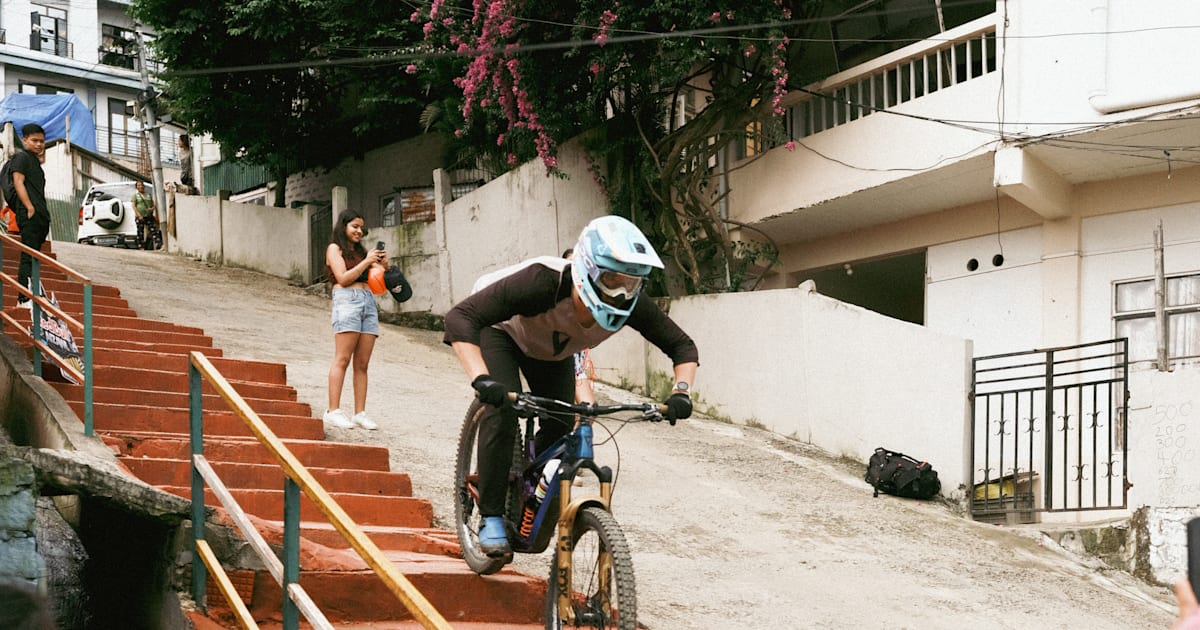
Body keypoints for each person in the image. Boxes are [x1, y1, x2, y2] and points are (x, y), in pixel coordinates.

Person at [444, 215, 699, 556]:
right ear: (589, 271)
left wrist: (681, 392)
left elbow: (682, 347)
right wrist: (482, 379)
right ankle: (490, 515)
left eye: (632, 284)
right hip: (502, 331)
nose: (622, 293)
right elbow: (460, 317)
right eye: (612, 280)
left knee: (562, 424)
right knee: (502, 410)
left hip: (552, 352)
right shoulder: (542, 282)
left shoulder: (632, 305)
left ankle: (524, 483)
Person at [323, 209, 386, 431]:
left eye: (361, 228)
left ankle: (360, 413)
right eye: (354, 227)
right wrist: (367, 261)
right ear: (344, 227)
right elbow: (343, 278)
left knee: (362, 363)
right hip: (347, 300)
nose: (359, 231)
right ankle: (333, 411)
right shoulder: (334, 248)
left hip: (368, 301)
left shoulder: (361, 252)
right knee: (342, 358)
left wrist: (382, 263)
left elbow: (379, 279)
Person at [2, 124, 49, 308]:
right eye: (34, 140)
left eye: (42, 141)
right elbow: (18, 182)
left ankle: (30, 293)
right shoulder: (21, 157)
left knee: (34, 256)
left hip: (39, 216)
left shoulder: (34, 161)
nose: (39, 144)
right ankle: (23, 298)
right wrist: (29, 207)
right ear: (25, 140)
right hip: (29, 213)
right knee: (28, 256)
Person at [561, 247, 595, 403]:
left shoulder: (589, 295)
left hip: (577, 365)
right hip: (557, 363)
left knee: (588, 410)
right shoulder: (558, 296)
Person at [131, 181, 158, 250]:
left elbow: (153, 205)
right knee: (140, 231)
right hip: (140, 216)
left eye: (142, 185)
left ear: (144, 186)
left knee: (153, 230)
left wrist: (151, 209)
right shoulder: (135, 195)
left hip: (148, 216)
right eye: (139, 185)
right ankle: (141, 246)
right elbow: (134, 206)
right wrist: (139, 215)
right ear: (136, 187)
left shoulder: (148, 195)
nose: (141, 186)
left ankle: (158, 244)